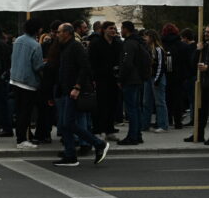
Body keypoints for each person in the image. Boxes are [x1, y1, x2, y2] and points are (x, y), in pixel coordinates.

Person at [53, 24, 109, 167]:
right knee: (66, 125)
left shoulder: (75, 47)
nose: (56, 34)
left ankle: (98, 144)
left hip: (73, 91)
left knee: (68, 123)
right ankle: (70, 155)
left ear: (67, 33)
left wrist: (77, 87)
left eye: (59, 32)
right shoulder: (65, 47)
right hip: (66, 90)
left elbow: (85, 67)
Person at [11, 18, 45, 149]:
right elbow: (37, 66)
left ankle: (22, 137)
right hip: (28, 83)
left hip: (15, 79)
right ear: (37, 29)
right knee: (26, 113)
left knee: (19, 111)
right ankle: (22, 140)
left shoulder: (18, 40)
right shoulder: (35, 45)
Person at [88, 21, 122, 141]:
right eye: (110, 28)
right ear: (104, 30)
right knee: (100, 105)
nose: (113, 31)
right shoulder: (96, 43)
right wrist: (92, 78)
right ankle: (98, 130)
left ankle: (109, 130)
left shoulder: (117, 44)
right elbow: (91, 62)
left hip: (113, 79)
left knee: (112, 104)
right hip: (100, 78)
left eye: (114, 28)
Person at [117, 21, 149, 146]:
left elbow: (127, 63)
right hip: (138, 79)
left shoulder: (129, 43)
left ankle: (132, 136)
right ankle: (137, 135)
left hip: (130, 80)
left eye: (122, 29)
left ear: (126, 29)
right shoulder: (138, 42)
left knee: (131, 110)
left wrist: (120, 79)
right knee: (136, 108)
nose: (120, 32)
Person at [141, 29, 169, 133]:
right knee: (146, 102)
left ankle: (163, 125)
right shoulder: (147, 49)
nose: (145, 38)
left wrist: (157, 79)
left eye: (146, 36)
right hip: (149, 78)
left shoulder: (158, 49)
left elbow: (161, 65)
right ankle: (145, 124)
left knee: (160, 102)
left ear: (151, 37)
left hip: (156, 78)